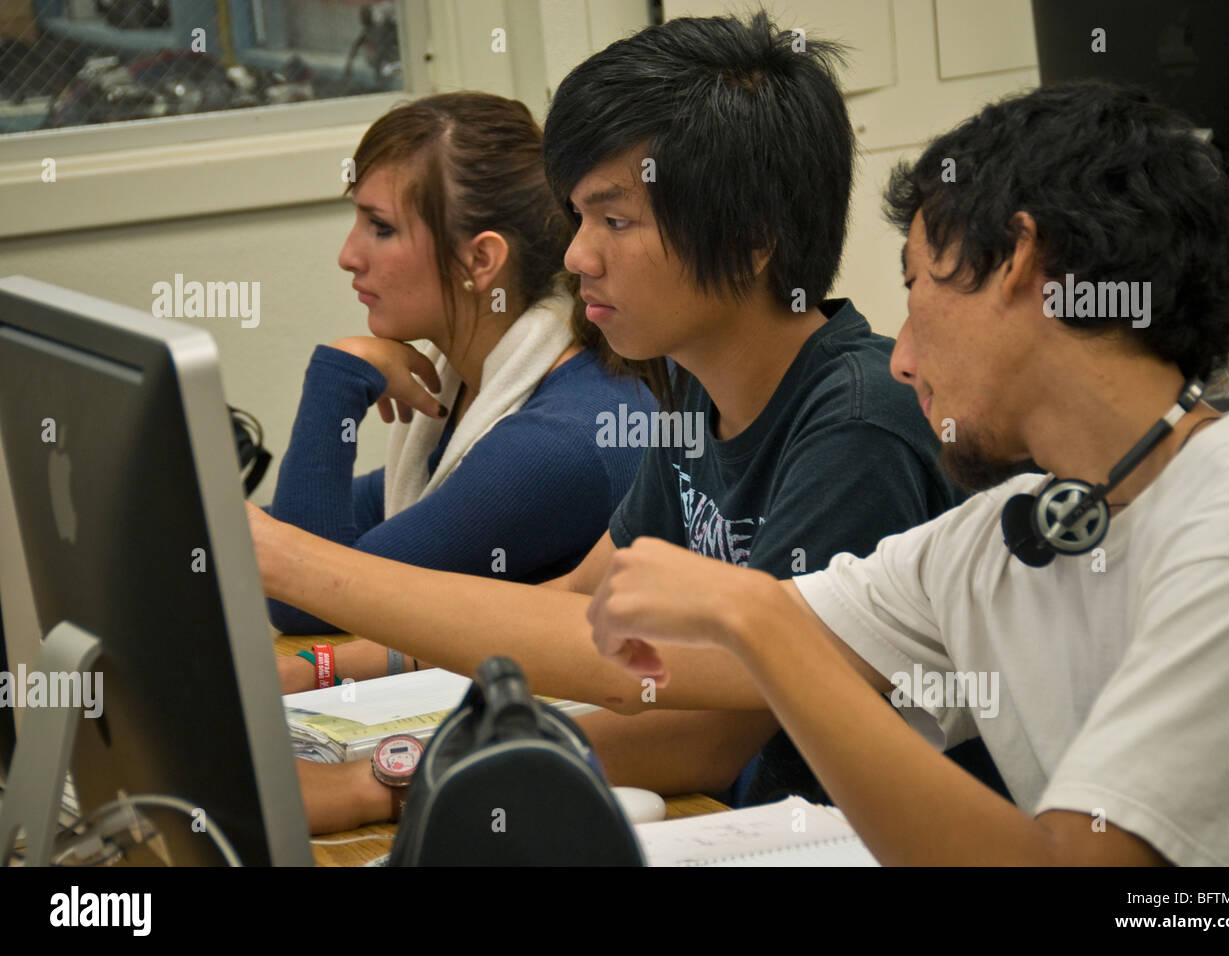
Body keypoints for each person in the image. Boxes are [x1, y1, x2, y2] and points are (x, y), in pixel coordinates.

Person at [249, 13, 981, 833]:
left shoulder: (855, 424)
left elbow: (712, 729)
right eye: (578, 218)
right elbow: (572, 606)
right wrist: (321, 667)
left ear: (749, 242)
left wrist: (383, 779)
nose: (576, 256)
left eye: (616, 221)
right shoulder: (698, 395)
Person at [586, 80, 1229, 865]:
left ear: (1021, 262)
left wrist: (756, 623)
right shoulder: (1017, 525)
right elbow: (719, 660)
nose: (900, 359)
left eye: (915, 285)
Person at [264, 91, 659, 638]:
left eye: (381, 228)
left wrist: (341, 374)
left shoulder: (556, 441)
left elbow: (307, 604)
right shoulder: (480, 385)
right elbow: (313, 539)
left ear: (481, 260)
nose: (349, 255)